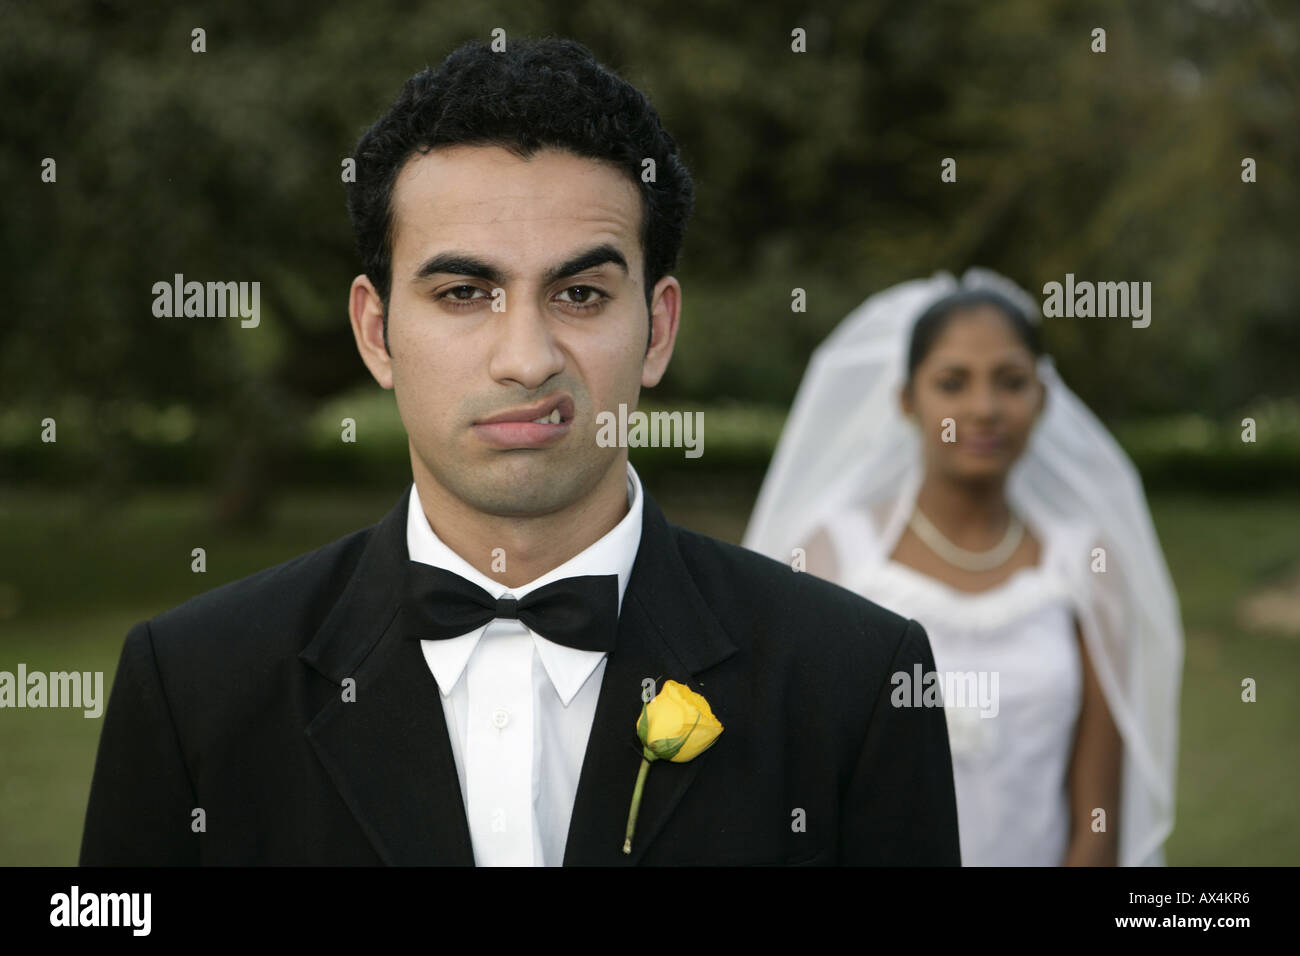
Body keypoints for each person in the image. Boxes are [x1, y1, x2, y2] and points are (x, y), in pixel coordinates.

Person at [79, 37, 960, 866]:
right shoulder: (193, 683)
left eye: (579, 292)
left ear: (657, 330)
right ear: (376, 332)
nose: (527, 357)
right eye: (465, 292)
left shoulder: (856, 681)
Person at [743, 269, 1183, 866]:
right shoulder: (833, 559)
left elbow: (1098, 823)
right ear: (907, 399)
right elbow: (798, 789)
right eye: (953, 383)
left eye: (1010, 381)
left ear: (1042, 397)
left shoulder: (1086, 565)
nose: (984, 408)